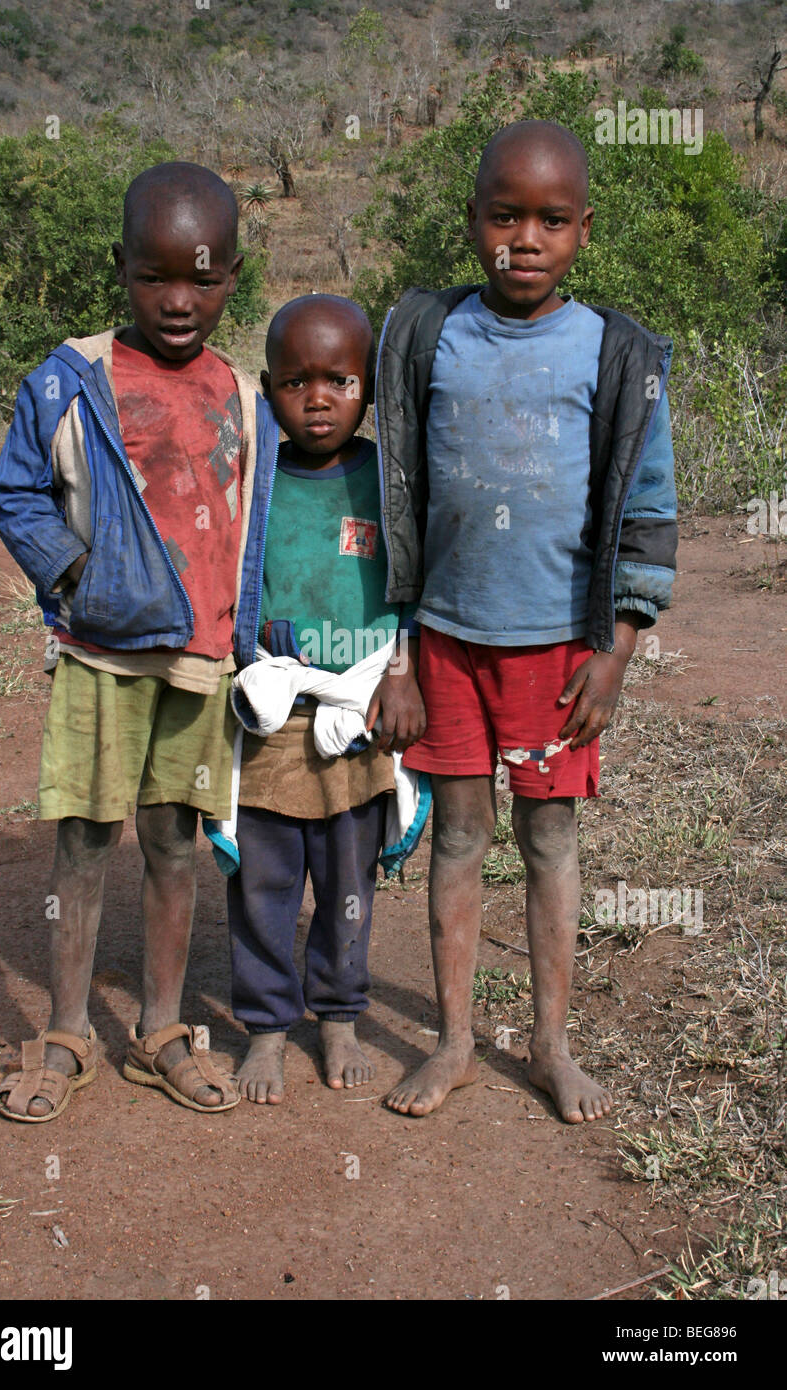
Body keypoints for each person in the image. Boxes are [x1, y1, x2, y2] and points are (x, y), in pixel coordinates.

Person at [374, 120, 678, 1122]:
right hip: (447, 640)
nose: (525, 237)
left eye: (550, 219)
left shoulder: (614, 351)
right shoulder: (428, 335)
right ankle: (456, 1041)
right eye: (504, 214)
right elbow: (396, 499)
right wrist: (402, 648)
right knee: (457, 836)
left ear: (581, 231)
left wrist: (617, 647)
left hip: (555, 646)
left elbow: (644, 504)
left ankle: (550, 1046)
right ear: (471, 222)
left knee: (548, 838)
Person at [0, 162, 275, 1120]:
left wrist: (256, 638)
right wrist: (75, 576)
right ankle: (67, 1028)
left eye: (203, 276)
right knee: (83, 841)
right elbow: (14, 493)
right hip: (103, 660)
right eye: (154, 277)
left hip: (198, 662)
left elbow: (252, 523)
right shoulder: (71, 380)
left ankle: (157, 1029)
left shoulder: (245, 394)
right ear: (120, 268)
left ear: (234, 273)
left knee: (173, 843)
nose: (179, 299)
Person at [222, 294, 426, 1104]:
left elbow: (413, 584)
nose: (317, 398)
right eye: (296, 381)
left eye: (339, 379)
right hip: (275, 711)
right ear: (267, 388)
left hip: (360, 710)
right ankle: (268, 1027)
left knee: (350, 872)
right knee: (264, 879)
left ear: (368, 387)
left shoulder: (389, 480)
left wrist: (405, 672)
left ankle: (338, 1013)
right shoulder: (253, 476)